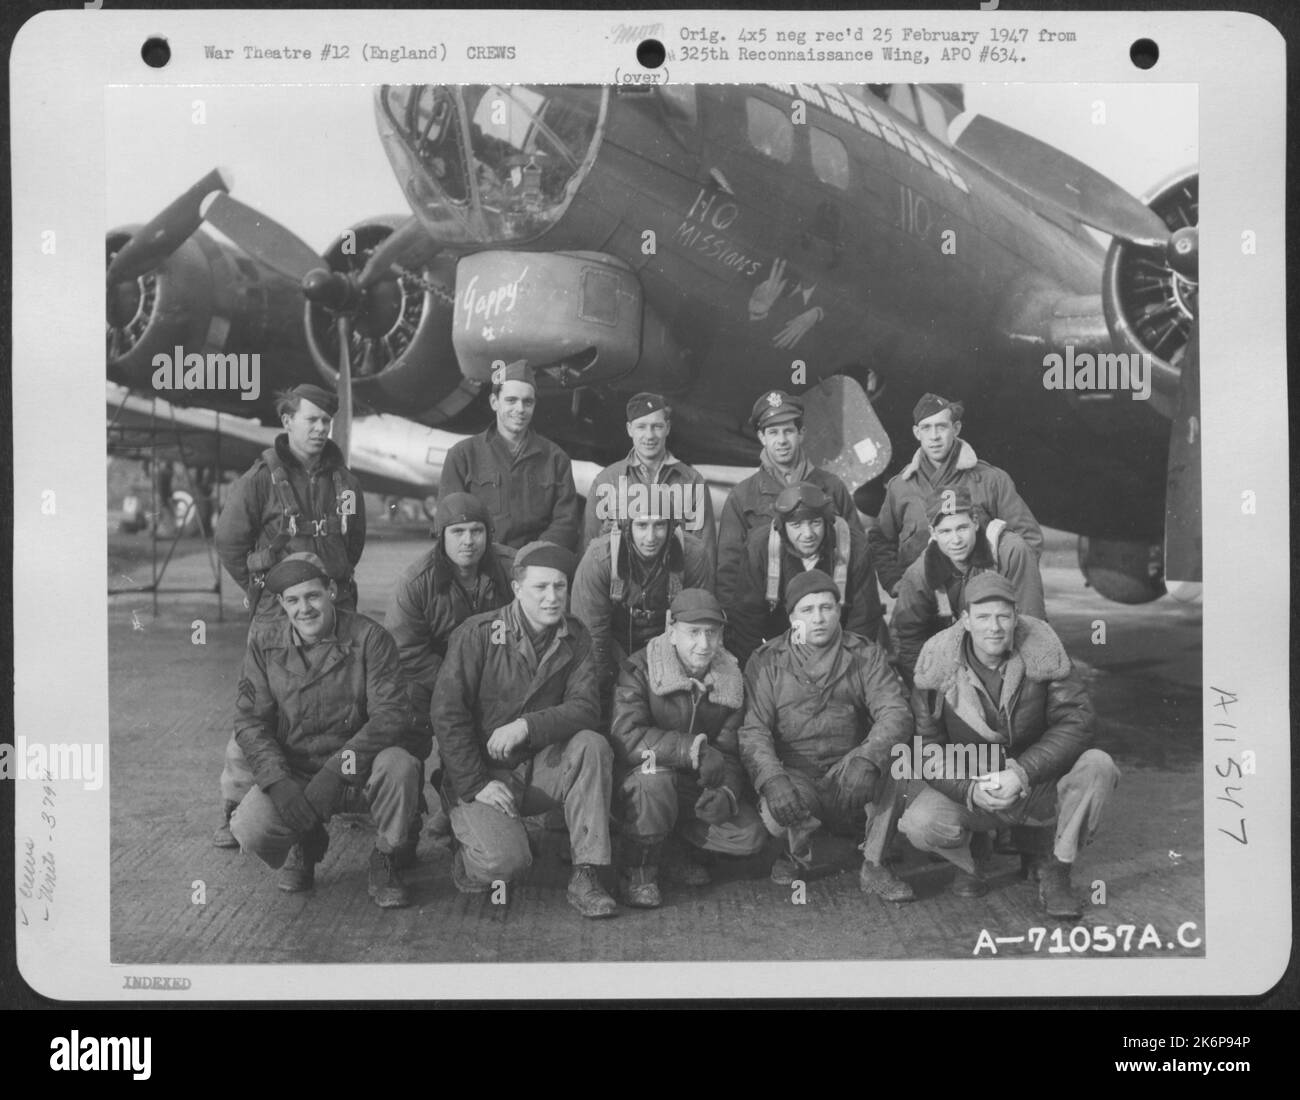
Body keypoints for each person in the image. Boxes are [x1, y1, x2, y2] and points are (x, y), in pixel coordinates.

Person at [898, 573, 1119, 918]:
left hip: (1034, 780)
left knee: (1098, 765)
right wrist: (968, 789)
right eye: (983, 617)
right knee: (919, 823)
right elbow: (927, 747)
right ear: (965, 621)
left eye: (1003, 616)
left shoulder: (1043, 649)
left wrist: (1021, 773)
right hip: (975, 781)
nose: (994, 627)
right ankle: (971, 860)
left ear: (1016, 617)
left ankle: (1057, 870)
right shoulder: (937, 660)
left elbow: (1077, 721)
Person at [211, 383, 366, 847]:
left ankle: (339, 793)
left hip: (332, 610)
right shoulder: (260, 479)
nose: (320, 429)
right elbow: (230, 541)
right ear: (288, 422)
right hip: (279, 616)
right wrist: (266, 593)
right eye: (311, 420)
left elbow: (352, 542)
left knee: (340, 702)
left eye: (326, 421)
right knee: (258, 709)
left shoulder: (346, 482)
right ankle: (234, 805)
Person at [431, 541, 618, 918]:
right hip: (485, 773)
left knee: (592, 745)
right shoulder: (478, 634)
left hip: (539, 768)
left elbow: (585, 708)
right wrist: (475, 783)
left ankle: (586, 873)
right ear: (517, 589)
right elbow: (447, 713)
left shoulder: (576, 636)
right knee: (505, 865)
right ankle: (463, 834)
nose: (552, 598)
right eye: (540, 588)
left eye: (560, 587)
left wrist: (526, 726)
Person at [228, 553, 424, 908]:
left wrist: (337, 770)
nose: (304, 609)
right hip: (298, 771)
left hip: (359, 772)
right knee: (250, 827)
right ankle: (306, 837)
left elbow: (391, 716)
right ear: (282, 604)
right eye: (292, 600)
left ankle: (386, 856)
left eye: (312, 596)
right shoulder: (263, 643)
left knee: (401, 767)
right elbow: (250, 720)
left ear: (331, 590)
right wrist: (277, 782)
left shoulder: (370, 638)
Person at [739, 570, 916, 902]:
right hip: (795, 777)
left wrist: (868, 757)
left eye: (827, 607)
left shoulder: (865, 653)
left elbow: (895, 711)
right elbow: (753, 732)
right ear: (792, 617)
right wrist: (772, 779)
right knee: (776, 813)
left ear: (839, 610)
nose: (818, 618)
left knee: (897, 764)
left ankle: (875, 863)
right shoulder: (766, 661)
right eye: (807, 610)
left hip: (849, 773)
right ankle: (794, 854)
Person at [610, 589, 765, 907]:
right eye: (693, 632)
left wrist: (727, 792)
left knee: (748, 834)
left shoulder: (730, 676)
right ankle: (638, 870)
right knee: (654, 778)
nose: (704, 644)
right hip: (640, 777)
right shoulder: (641, 668)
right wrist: (690, 748)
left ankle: (677, 851)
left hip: (692, 785)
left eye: (712, 633)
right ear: (672, 630)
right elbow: (627, 736)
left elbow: (732, 750)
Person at [384, 492, 516, 840]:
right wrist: (455, 683)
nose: (468, 541)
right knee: (406, 729)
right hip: (432, 676)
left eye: (476, 531)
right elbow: (406, 650)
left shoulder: (512, 567)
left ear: (489, 533)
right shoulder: (416, 582)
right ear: (440, 536)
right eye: (457, 532)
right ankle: (405, 819)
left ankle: (458, 793)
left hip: (497, 674)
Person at [868, 392, 1043, 597]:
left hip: (980, 600)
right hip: (924, 602)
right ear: (917, 432)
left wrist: (1000, 592)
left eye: (941, 427)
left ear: (956, 429)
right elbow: (881, 539)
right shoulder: (901, 486)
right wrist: (895, 583)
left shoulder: (991, 480)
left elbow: (1028, 538)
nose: (934, 436)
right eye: (926, 428)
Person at [716, 390, 863, 605]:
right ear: (761, 437)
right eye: (773, 432)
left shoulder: (832, 488)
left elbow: (857, 556)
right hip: (769, 616)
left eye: (788, 431)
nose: (782, 440)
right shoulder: (742, 497)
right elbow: (729, 569)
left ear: (801, 433)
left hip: (825, 612)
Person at [891, 487, 1046, 683]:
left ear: (975, 522)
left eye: (962, 528)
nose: (955, 540)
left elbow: (1032, 625)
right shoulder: (920, 572)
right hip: (952, 670)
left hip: (1008, 658)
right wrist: (930, 690)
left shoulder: (1010, 551)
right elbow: (908, 638)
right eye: (945, 531)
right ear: (933, 532)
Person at [570, 507, 713, 712]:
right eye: (642, 525)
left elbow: (699, 625)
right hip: (613, 648)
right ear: (627, 526)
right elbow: (591, 637)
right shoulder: (600, 559)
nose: (651, 537)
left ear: (671, 526)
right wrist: (603, 693)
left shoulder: (693, 555)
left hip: (670, 650)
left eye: (660, 525)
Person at [726, 481, 883, 667]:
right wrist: (761, 672)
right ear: (782, 526)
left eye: (815, 523)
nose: (808, 534)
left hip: (840, 651)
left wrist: (845, 669)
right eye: (796, 525)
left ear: (826, 521)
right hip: (780, 653)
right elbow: (746, 620)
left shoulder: (854, 546)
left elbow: (864, 619)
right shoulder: (760, 547)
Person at [437, 360, 581, 551]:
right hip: (482, 565)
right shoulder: (462, 455)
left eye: (527, 402)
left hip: (535, 567)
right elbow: (449, 520)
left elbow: (565, 523)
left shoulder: (556, 459)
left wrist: (532, 558)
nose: (520, 409)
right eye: (511, 400)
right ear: (494, 402)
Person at [581, 392, 716, 559]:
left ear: (667, 428)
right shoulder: (606, 481)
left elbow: (705, 554)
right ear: (630, 429)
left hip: (678, 582)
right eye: (641, 427)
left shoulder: (693, 482)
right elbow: (590, 554)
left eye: (657, 426)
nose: (650, 435)